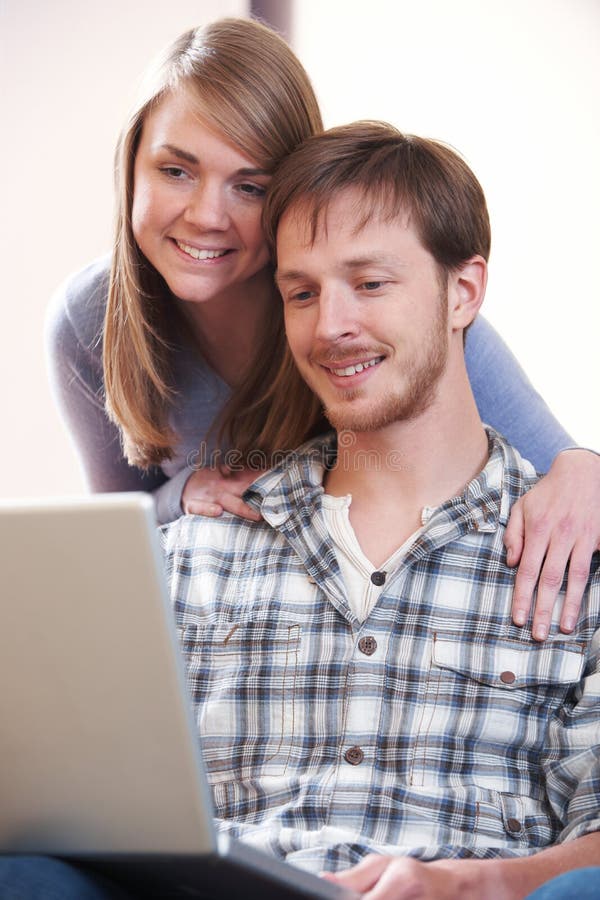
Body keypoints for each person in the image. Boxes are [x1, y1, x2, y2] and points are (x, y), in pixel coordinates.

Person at [3, 123, 599, 900]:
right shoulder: (197, 555)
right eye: (302, 293)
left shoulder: (571, 556)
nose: (330, 327)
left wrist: (471, 883)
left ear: (463, 293)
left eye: (370, 284)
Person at [46, 17, 600, 639]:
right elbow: (116, 535)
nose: (205, 216)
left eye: (249, 186)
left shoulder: (360, 318)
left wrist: (586, 467)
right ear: (131, 167)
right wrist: (182, 495)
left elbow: (562, 474)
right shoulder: (88, 319)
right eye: (176, 171)